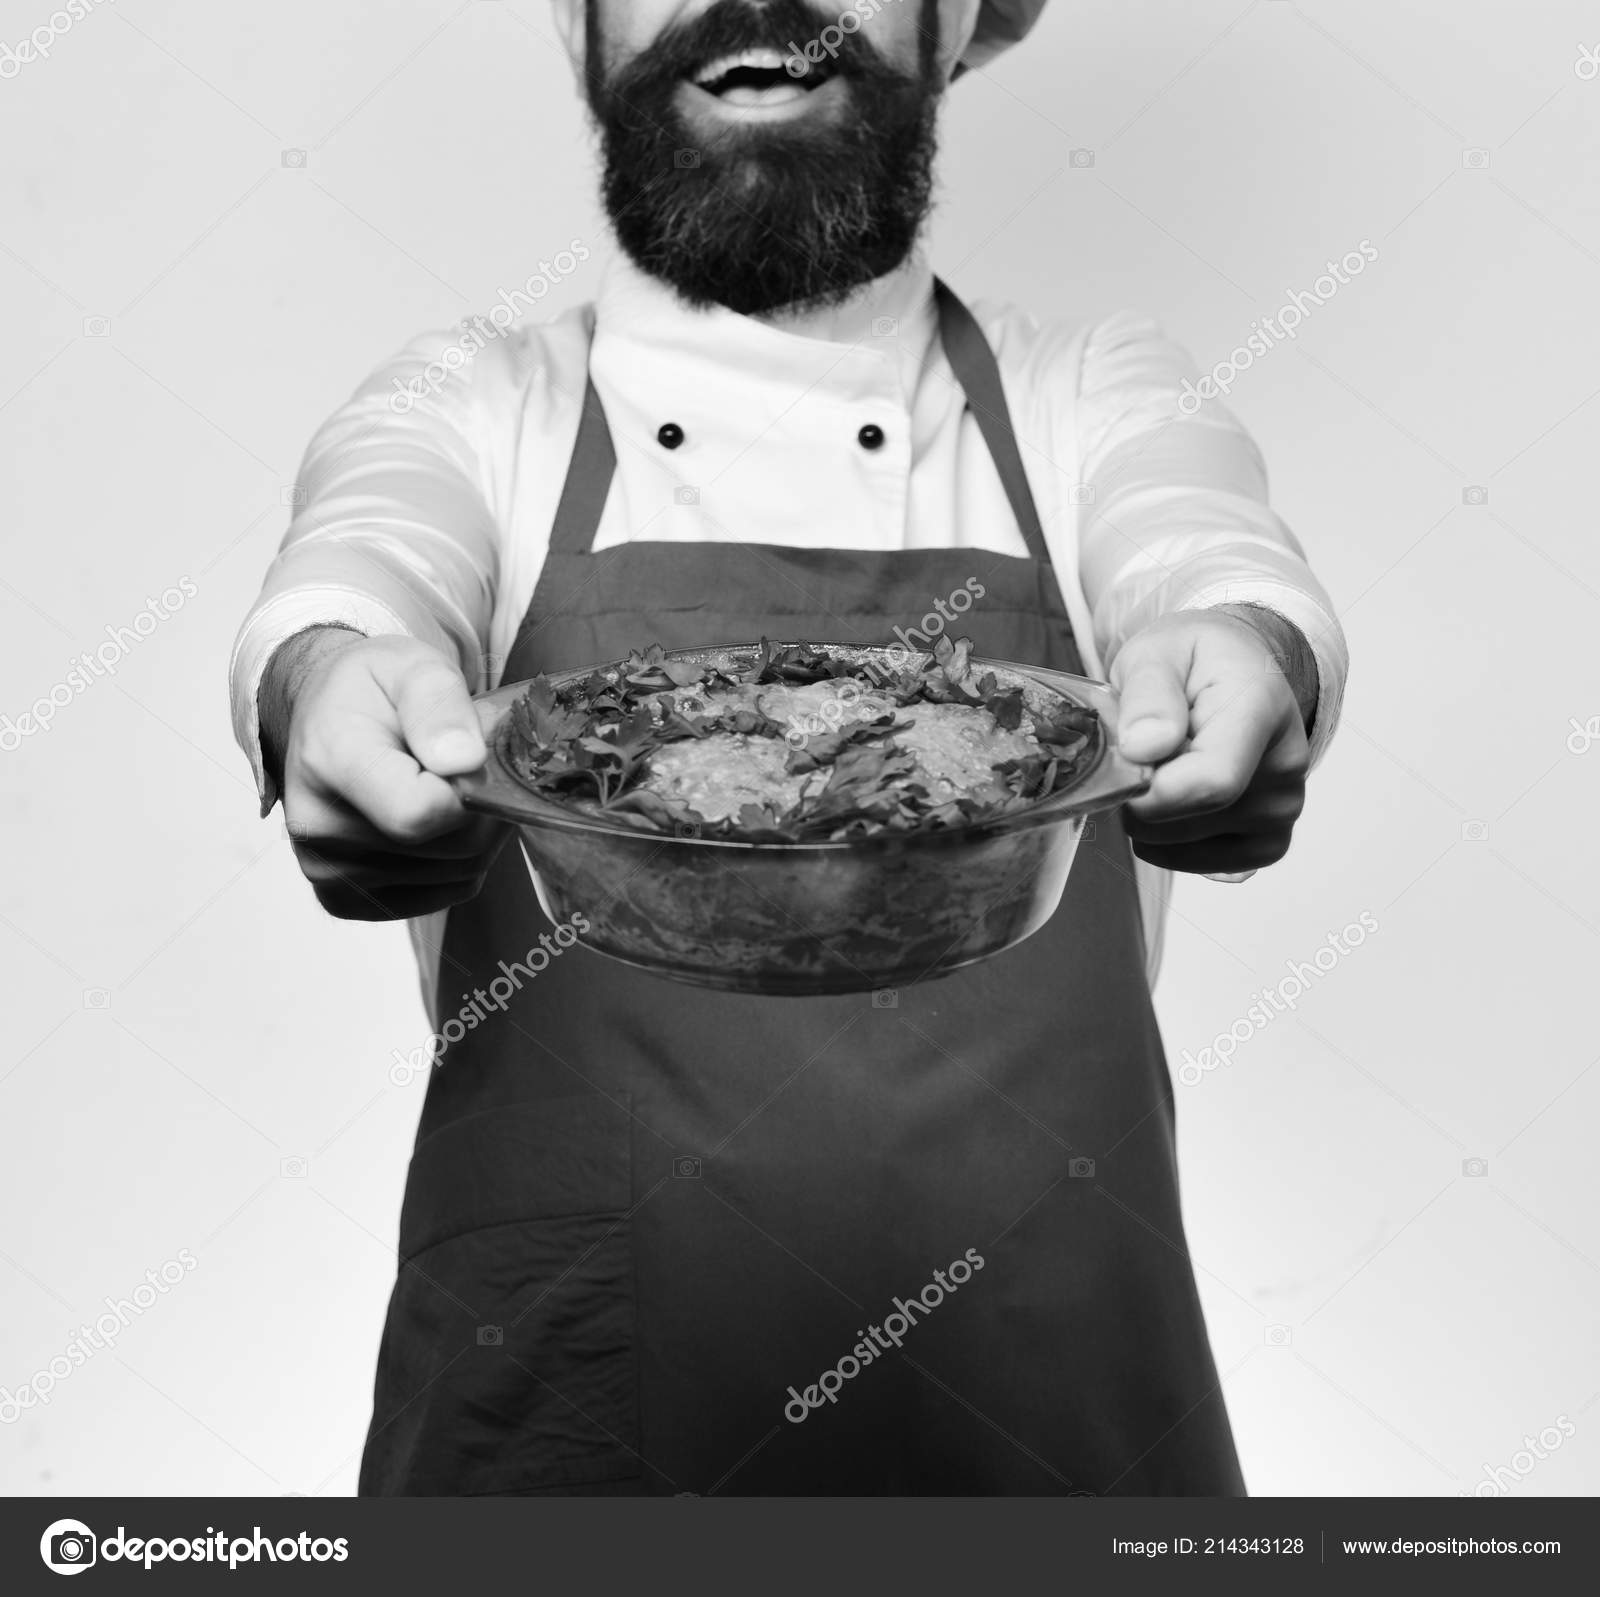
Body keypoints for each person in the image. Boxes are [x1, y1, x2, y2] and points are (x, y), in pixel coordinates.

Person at [229, 0, 1348, 1495]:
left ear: (960, 22)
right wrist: (329, 679)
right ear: (580, 29)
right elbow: (360, 565)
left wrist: (1250, 652)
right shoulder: (475, 408)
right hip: (566, 1453)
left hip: (1060, 1445)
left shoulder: (1091, 396)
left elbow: (1208, 556)